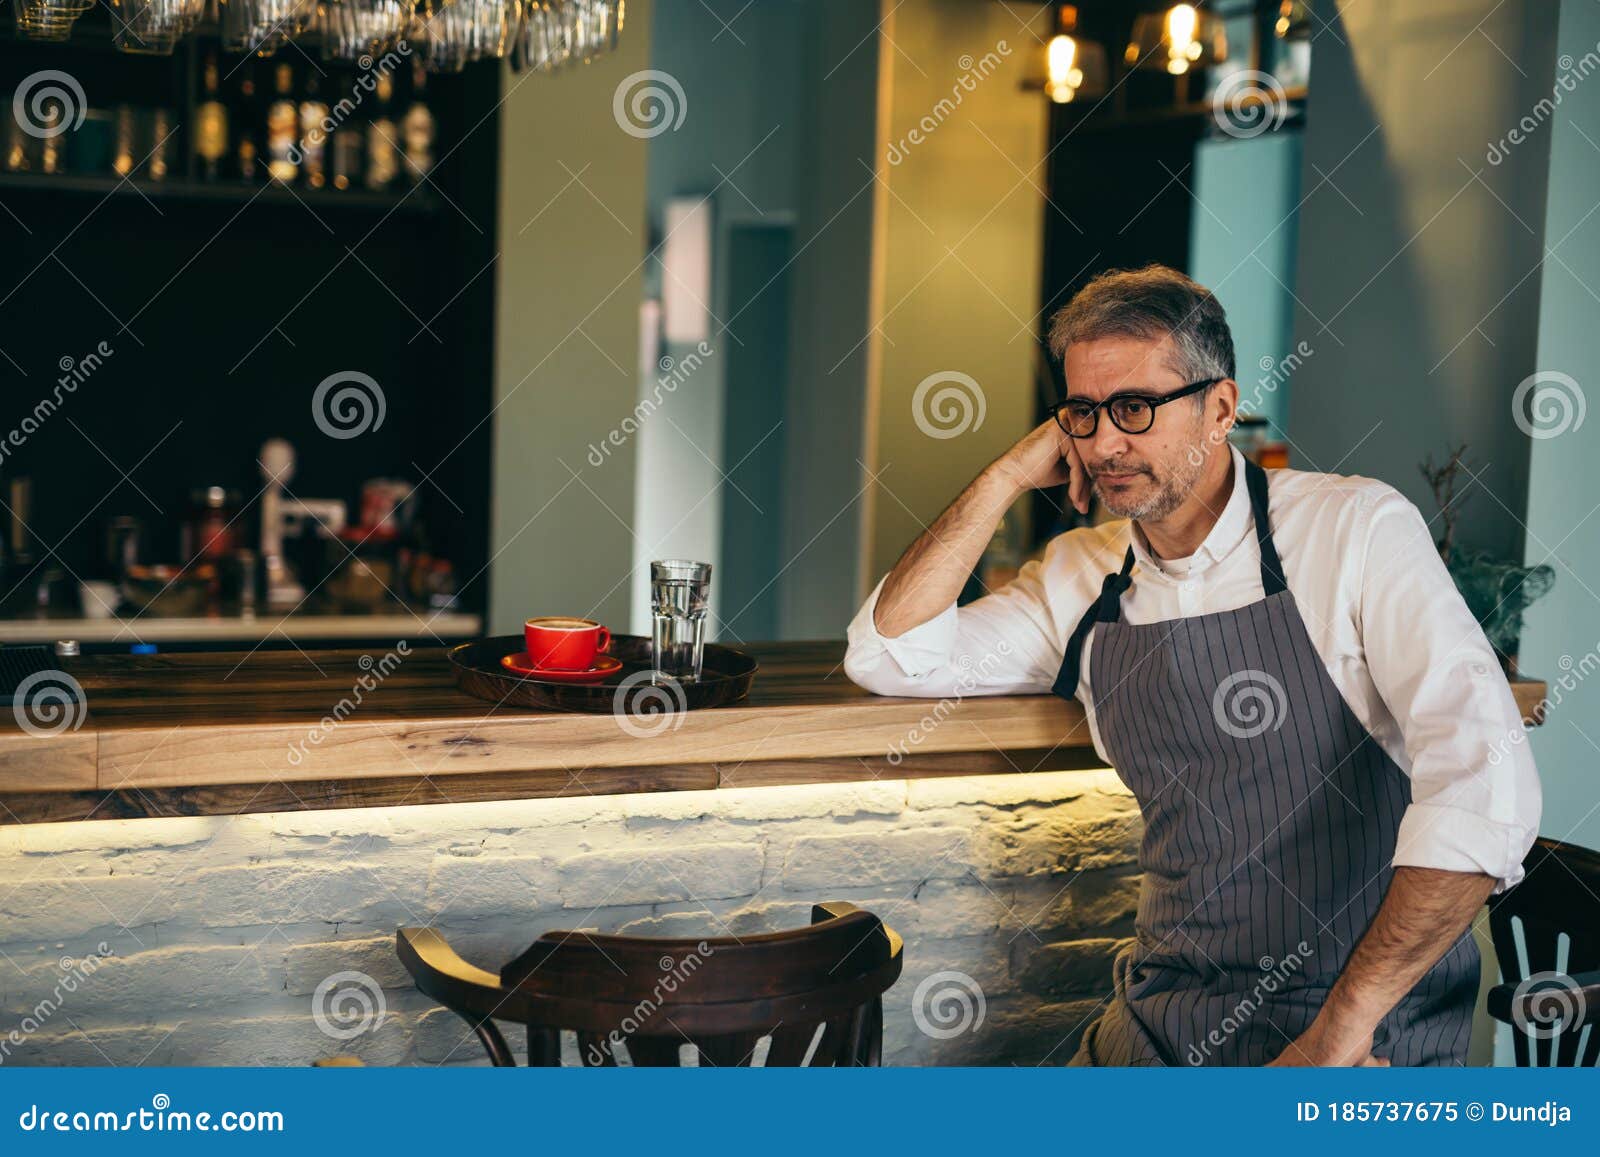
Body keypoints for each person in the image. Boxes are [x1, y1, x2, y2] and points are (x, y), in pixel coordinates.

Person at [844, 265, 1540, 1066]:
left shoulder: (1353, 530)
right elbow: (888, 653)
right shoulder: (1082, 576)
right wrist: (1005, 474)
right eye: (1082, 413)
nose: (1103, 444)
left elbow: (1487, 785)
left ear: (1219, 409)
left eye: (1135, 408)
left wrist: (1341, 1030)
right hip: (1160, 1023)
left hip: (1356, 1030)